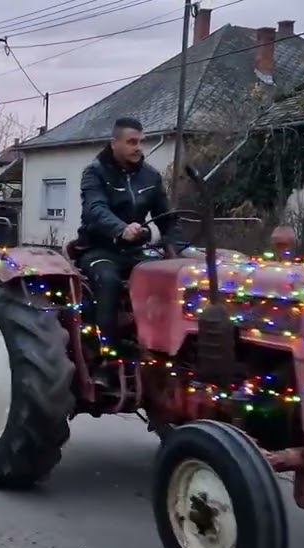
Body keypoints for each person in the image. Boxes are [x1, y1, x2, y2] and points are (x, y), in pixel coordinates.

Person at [75, 116, 179, 388]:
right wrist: (120, 228)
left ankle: (162, 355)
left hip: (136, 251)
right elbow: (94, 210)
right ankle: (105, 361)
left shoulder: (151, 177)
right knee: (108, 282)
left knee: (167, 280)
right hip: (99, 249)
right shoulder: (95, 172)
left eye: (140, 142)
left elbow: (167, 219)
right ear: (115, 143)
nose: (137, 148)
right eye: (131, 142)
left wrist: (176, 252)